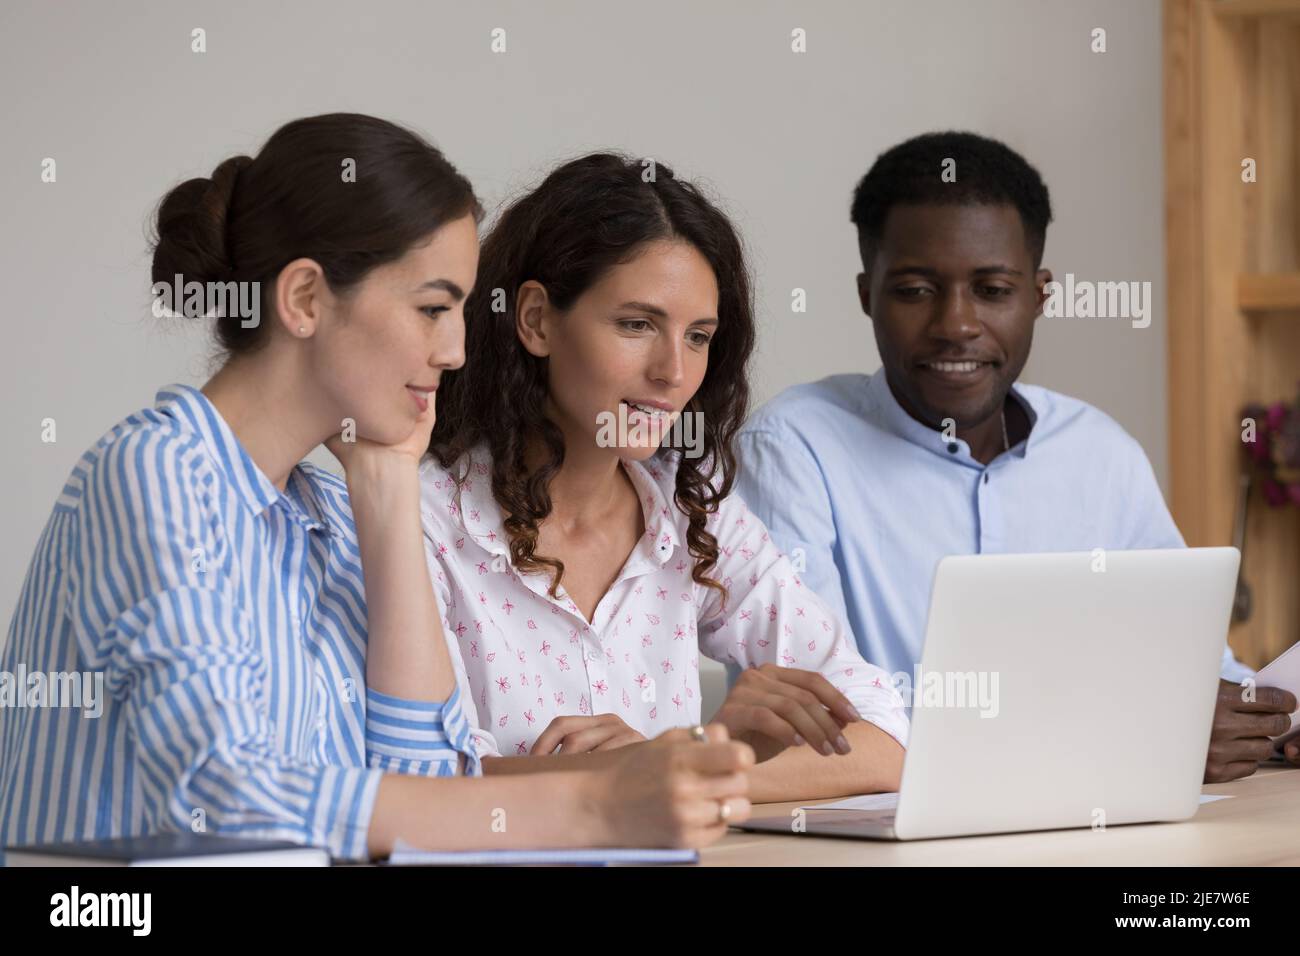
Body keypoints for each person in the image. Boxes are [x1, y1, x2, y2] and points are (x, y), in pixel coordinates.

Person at [0, 114, 752, 863]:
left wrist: (387, 483)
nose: (457, 350)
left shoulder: (326, 510)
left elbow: (422, 785)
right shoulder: (157, 472)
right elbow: (220, 790)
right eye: (431, 308)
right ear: (302, 300)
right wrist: (596, 803)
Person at [734, 130, 1297, 785]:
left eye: (993, 289)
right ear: (868, 294)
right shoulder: (793, 450)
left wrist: (1263, 724)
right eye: (915, 290)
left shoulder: (1099, 454)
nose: (956, 324)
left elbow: (1193, 667)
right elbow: (827, 718)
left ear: (1039, 295)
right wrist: (1135, 732)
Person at [422, 153, 908, 804]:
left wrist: (691, 772)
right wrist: (661, 773)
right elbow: (430, 779)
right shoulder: (424, 518)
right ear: (536, 319)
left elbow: (881, 733)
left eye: (699, 336)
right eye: (637, 324)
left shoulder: (689, 510)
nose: (673, 373)